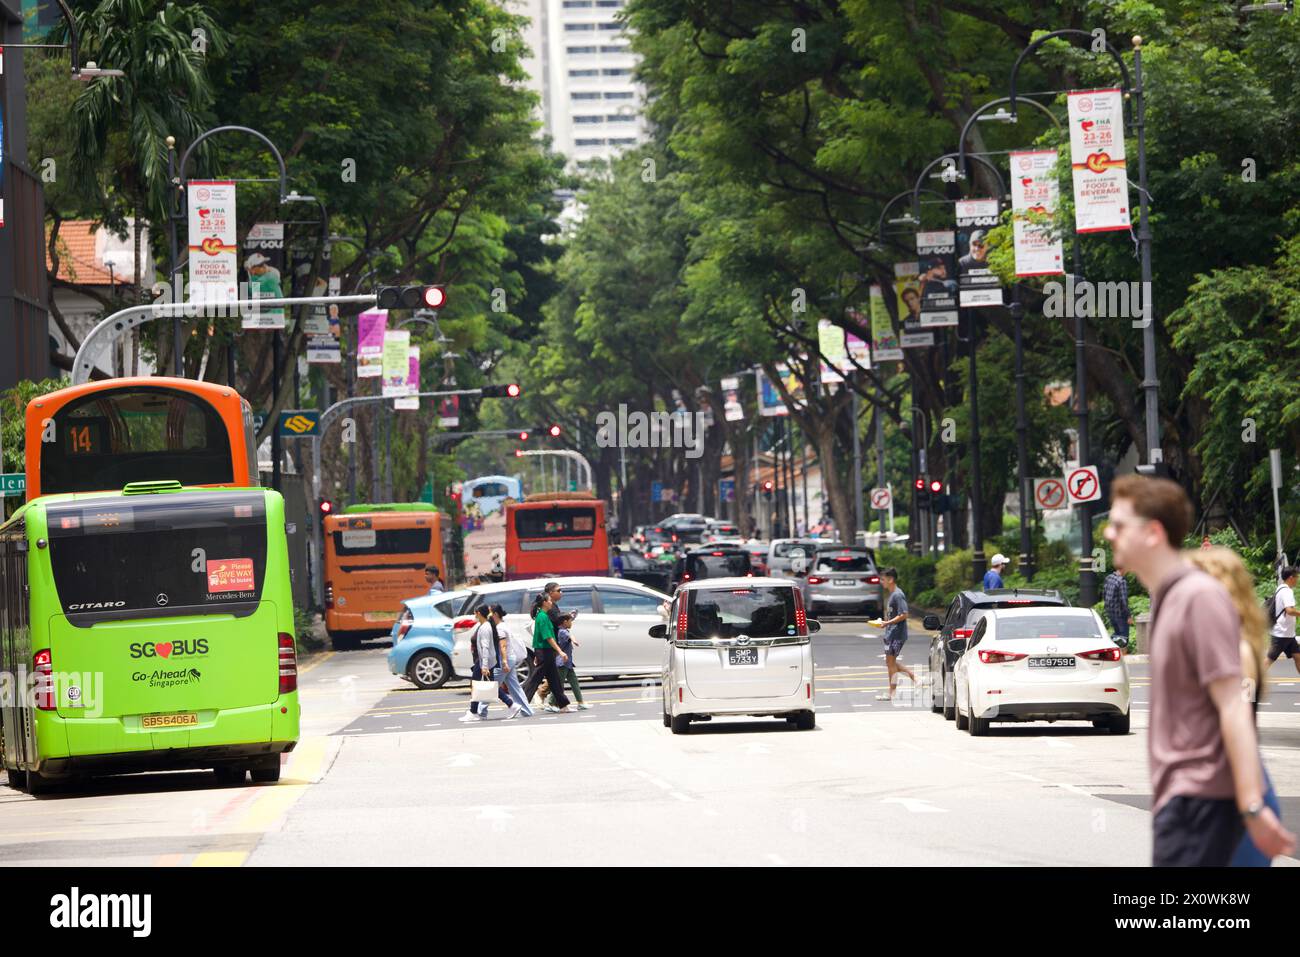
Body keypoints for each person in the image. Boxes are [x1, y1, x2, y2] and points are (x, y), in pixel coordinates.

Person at [1104, 475, 1294, 866]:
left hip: (1203, 802)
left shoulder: (1197, 598)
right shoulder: (1168, 600)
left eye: (1120, 524)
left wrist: (1254, 808)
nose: (1108, 532)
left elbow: (1232, 709)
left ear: (1154, 532)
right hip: (1181, 801)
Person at [1187, 547, 1284, 867]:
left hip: (1235, 789)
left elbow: (1236, 727)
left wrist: (1251, 806)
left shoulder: (1237, 652)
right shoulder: (1218, 646)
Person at [870, 567, 917, 700]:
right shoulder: (891, 594)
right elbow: (894, 614)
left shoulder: (898, 594)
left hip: (897, 634)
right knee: (890, 662)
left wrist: (887, 623)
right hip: (890, 633)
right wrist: (884, 622)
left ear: (891, 579)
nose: (881, 582)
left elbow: (904, 614)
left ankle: (892, 693)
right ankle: (915, 678)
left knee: (890, 663)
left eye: (883, 579)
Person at [521, 590, 571, 711]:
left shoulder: (543, 615)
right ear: (544, 603)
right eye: (549, 600)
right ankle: (521, 702)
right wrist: (560, 651)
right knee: (535, 679)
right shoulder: (542, 617)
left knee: (554, 679)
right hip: (545, 651)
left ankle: (563, 705)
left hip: (544, 651)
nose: (551, 603)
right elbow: (548, 637)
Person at [458, 607, 511, 722]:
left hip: (484, 661)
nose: (474, 615)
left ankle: (473, 712)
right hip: (483, 661)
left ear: (479, 613)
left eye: (475, 613)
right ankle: (512, 705)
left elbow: (485, 647)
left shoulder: (485, 627)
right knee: (490, 686)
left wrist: (485, 666)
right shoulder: (484, 626)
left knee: (475, 684)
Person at [490, 604, 532, 719]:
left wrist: (503, 661)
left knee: (491, 686)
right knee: (514, 686)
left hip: (506, 660)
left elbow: (503, 646)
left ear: (496, 614)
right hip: (510, 658)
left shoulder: (500, 628)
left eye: (490, 613)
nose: (488, 616)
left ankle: (479, 711)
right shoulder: (503, 625)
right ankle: (527, 710)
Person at [546, 612, 589, 711]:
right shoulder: (562, 632)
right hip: (562, 662)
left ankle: (580, 702)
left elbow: (570, 634)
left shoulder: (563, 630)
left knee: (574, 682)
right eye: (570, 621)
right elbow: (569, 636)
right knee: (559, 684)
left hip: (567, 662)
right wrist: (574, 640)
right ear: (565, 622)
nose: (571, 623)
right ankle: (551, 703)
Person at [1265, 565, 1299, 674]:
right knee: (1268, 660)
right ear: (1291, 578)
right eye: (1296, 577)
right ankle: (1250, 681)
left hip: (1288, 634)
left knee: (1298, 657)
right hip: (1281, 634)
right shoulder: (1287, 592)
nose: (1297, 579)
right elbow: (1289, 610)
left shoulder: (1280, 588)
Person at [1102, 563, 1133, 648]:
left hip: (1110, 612)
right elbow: (1124, 601)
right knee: (1123, 638)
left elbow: (1104, 594)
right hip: (1120, 614)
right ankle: (1122, 657)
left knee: (1117, 635)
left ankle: (1112, 651)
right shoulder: (1121, 581)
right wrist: (1129, 616)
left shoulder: (1109, 578)